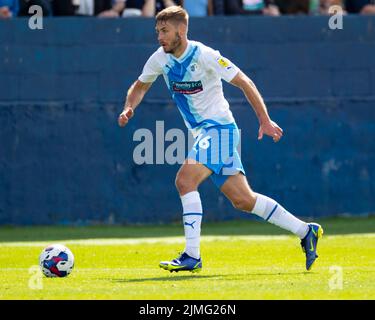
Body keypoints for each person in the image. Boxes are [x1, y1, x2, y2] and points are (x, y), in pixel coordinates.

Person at [118, 6, 323, 273]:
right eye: (157, 31)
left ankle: (192, 256)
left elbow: (244, 82)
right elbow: (140, 85)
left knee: (184, 180)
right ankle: (306, 231)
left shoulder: (205, 55)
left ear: (181, 30)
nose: (160, 36)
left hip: (219, 130)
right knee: (243, 200)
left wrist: (264, 119)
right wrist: (128, 106)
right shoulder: (160, 58)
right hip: (205, 135)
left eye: (165, 31)